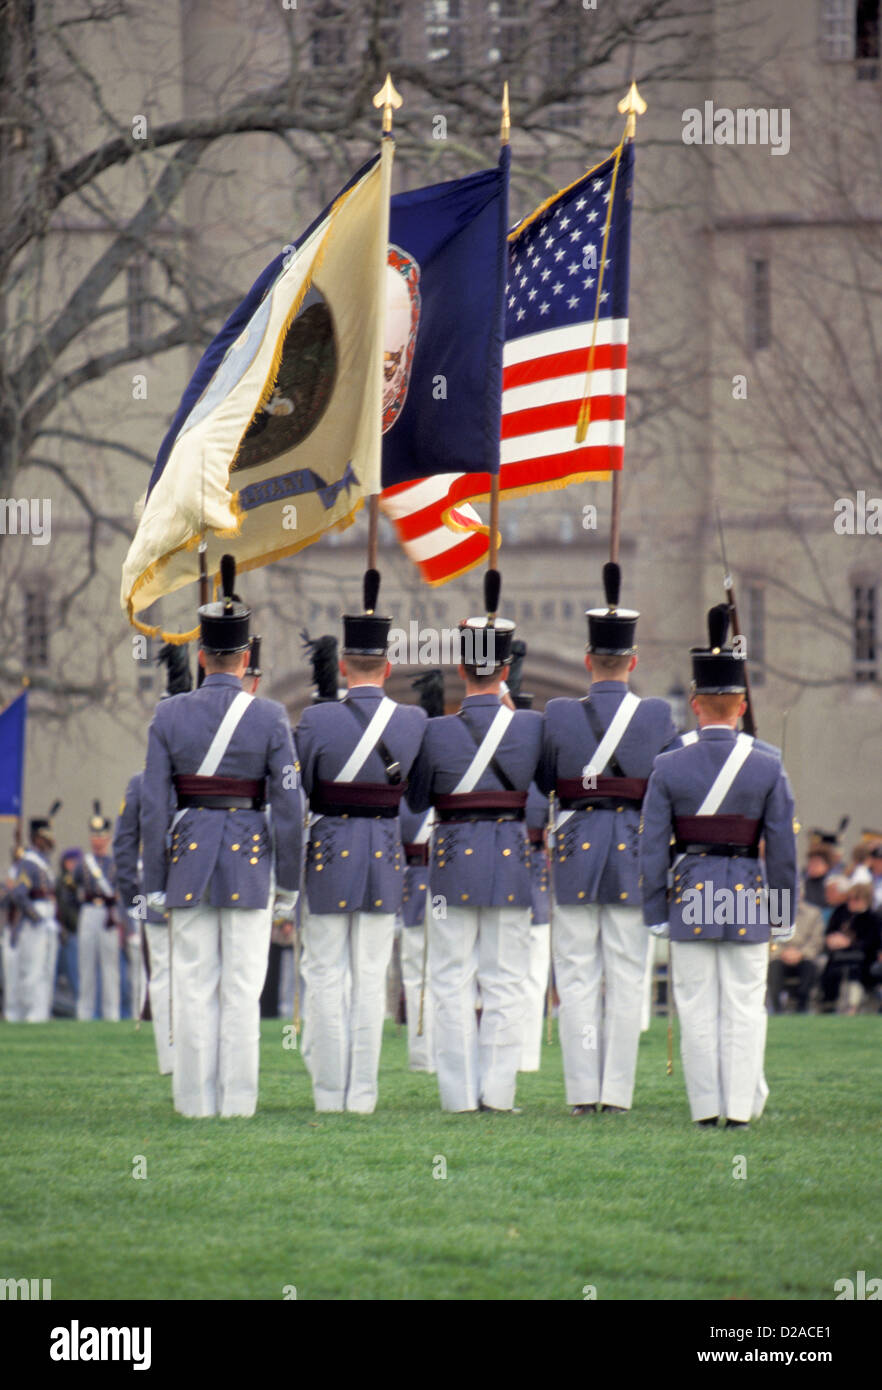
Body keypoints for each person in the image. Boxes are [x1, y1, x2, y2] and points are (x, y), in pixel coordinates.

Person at [140, 555, 302, 1118]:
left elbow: (154, 808)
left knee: (191, 988)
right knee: (240, 991)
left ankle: (193, 1103)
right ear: (245, 658)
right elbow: (287, 805)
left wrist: (154, 880)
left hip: (187, 861)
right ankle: (236, 1104)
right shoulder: (271, 716)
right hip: (249, 863)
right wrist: (290, 884)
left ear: (202, 655)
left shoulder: (168, 716)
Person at [639, 604, 798, 1128]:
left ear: (695, 703)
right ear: (742, 703)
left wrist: (655, 907)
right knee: (745, 1007)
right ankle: (738, 1108)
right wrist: (783, 911)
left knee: (697, 1006)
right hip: (749, 893)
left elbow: (652, 845)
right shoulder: (769, 764)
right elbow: (780, 848)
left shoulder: (667, 765)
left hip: (690, 892)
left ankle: (707, 1109)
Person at [536, 562, 678, 1115]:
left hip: (574, 850)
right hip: (632, 853)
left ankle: (581, 1094)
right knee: (626, 977)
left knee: (574, 977)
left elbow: (546, 780)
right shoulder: (657, 715)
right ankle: (615, 1095)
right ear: (633, 661)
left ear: (587, 661)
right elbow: (665, 787)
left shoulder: (559, 714)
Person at [407, 570, 543, 1114]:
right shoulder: (532, 726)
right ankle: (499, 1093)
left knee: (449, 980)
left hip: (450, 863)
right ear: (506, 671)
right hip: (511, 860)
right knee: (507, 981)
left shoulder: (434, 731)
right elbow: (550, 786)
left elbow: (416, 802)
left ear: (462, 669)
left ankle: (459, 1096)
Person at [295, 570, 427, 1114]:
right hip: (384, 854)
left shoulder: (316, 719)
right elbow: (418, 800)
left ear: (344, 667)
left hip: (329, 849)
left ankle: (329, 1094)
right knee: (371, 976)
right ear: (388, 667)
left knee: (325, 973)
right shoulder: (415, 720)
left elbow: (298, 793)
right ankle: (363, 1096)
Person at [398, 669, 445, 1074]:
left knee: (436, 969)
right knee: (421, 970)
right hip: (419, 882)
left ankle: (433, 1054)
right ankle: (423, 1055)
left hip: (435, 881)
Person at [3, 808, 61, 1021]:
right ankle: (30, 1015)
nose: (50, 842)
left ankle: (41, 1013)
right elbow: (19, 894)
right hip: (34, 922)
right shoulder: (29, 862)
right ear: (37, 838)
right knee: (33, 970)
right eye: (45, 838)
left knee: (46, 969)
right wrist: (36, 916)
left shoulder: (43, 863)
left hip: (47, 920)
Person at [75, 803, 122, 1021]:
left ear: (108, 838)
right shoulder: (83, 864)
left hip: (109, 914)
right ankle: (84, 1014)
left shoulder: (116, 863)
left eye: (101, 835)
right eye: (94, 835)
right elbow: (69, 889)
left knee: (110, 967)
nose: (97, 840)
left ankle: (111, 1014)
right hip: (88, 912)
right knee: (86, 965)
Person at [819, 881, 882, 1013]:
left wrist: (850, 943)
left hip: (862, 958)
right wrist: (832, 939)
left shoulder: (872, 917)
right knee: (830, 969)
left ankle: (853, 1005)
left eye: (856, 900)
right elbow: (829, 931)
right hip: (837, 955)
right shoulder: (840, 912)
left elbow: (872, 942)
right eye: (850, 899)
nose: (851, 903)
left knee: (856, 971)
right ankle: (828, 1001)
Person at [767, 900, 825, 1013]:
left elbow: (817, 940)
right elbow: (769, 939)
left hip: (805, 956)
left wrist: (801, 953)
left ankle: (802, 1007)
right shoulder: (772, 912)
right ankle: (776, 1008)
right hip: (780, 956)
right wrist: (782, 952)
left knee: (809, 968)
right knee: (773, 968)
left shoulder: (814, 913)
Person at [54, 848, 82, 1007]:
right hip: (69, 932)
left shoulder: (81, 880)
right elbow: (63, 908)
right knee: (72, 972)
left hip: (81, 929)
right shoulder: (63, 882)